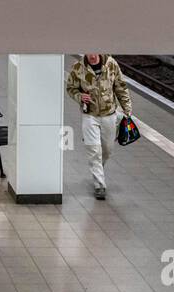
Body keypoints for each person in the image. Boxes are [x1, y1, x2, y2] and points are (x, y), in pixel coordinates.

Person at [65, 53, 133, 200]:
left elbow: (120, 86)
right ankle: (99, 185)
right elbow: (70, 88)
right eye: (89, 53)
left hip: (109, 115)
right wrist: (79, 96)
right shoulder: (78, 68)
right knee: (94, 150)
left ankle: (98, 167)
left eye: (95, 52)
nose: (93, 56)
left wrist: (127, 110)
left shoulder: (111, 64)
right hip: (89, 115)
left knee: (107, 150)